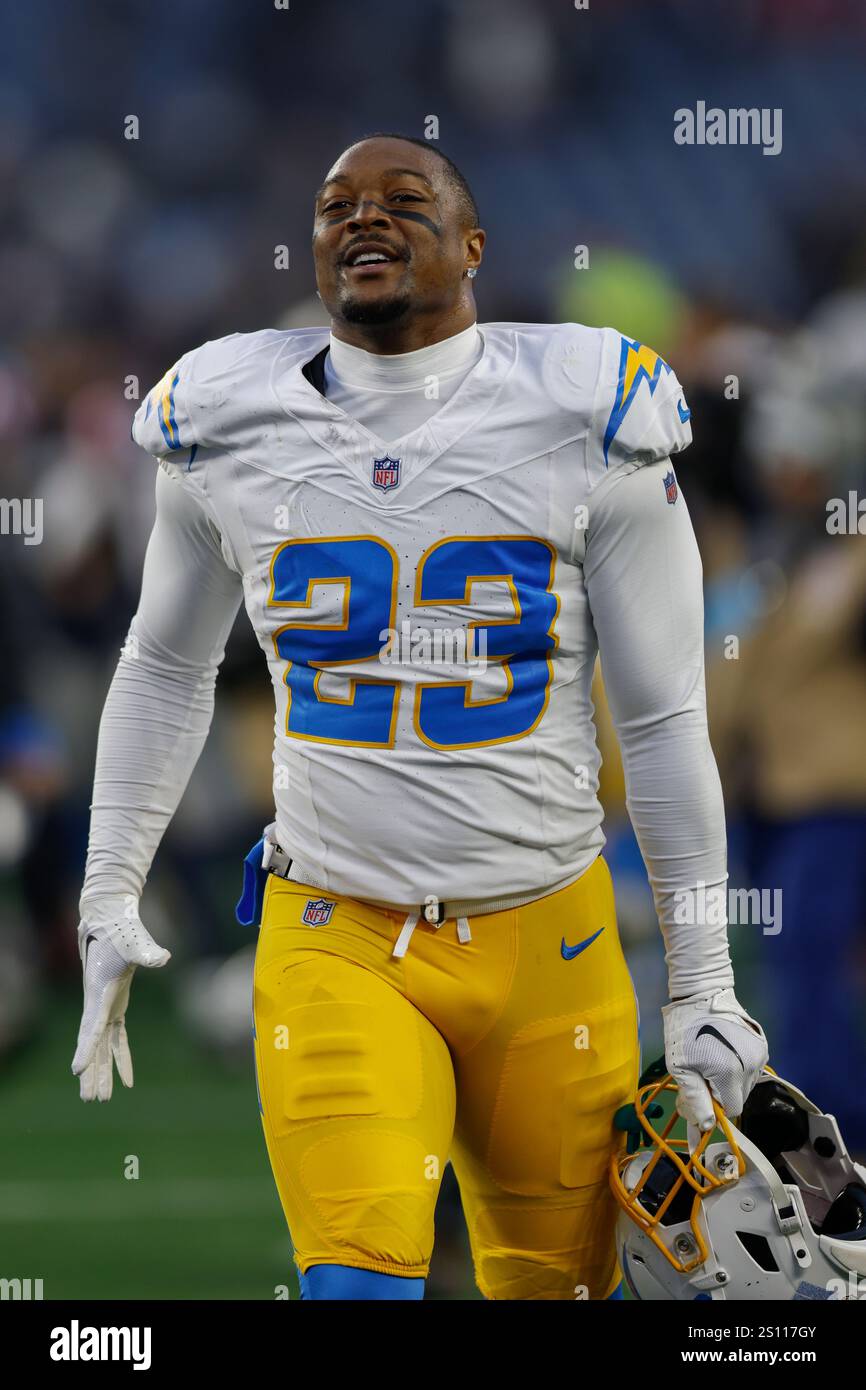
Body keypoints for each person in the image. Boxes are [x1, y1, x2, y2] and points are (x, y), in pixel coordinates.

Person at [71, 133, 767, 1301]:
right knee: (358, 1287)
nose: (364, 219)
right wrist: (106, 884)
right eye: (337, 203)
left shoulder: (589, 408)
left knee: (557, 1291)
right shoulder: (223, 416)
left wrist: (701, 981)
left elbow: (659, 721)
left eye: (404, 198)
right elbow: (160, 668)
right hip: (336, 927)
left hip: (550, 929)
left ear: (473, 245)